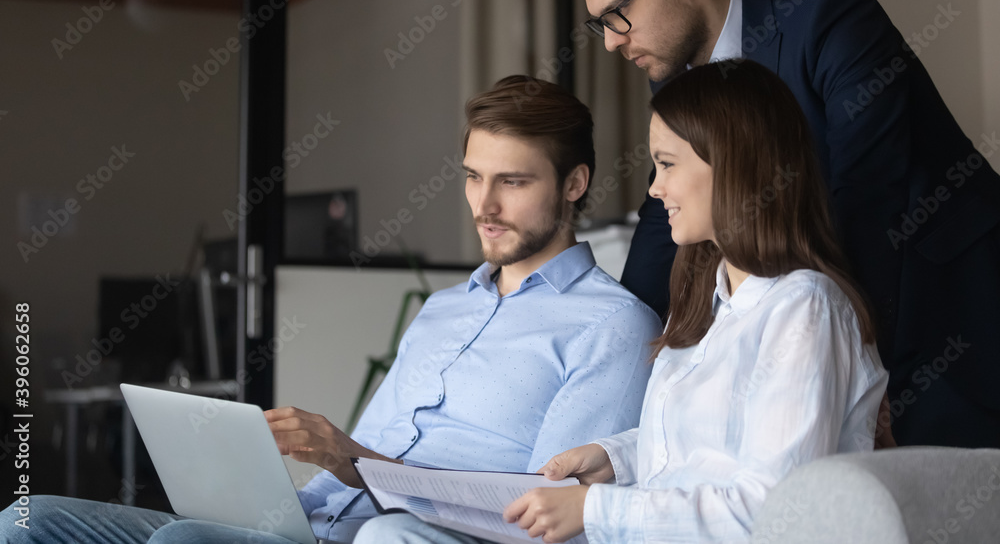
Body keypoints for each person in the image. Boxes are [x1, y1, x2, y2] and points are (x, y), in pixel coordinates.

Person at [0, 76, 661, 544]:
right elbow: (356, 467)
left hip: (400, 535)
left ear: (574, 183)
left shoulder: (612, 326)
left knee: (192, 540)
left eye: (512, 181)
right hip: (313, 524)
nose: (483, 204)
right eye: (471, 175)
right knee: (28, 520)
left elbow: (543, 519)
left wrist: (353, 460)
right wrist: (263, 496)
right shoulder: (440, 312)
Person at [357, 60, 887, 544]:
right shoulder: (707, 305)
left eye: (667, 164)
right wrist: (614, 456)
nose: (654, 189)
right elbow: (692, 453)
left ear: (733, 167)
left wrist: (595, 509)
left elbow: (774, 510)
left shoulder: (804, 308)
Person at [551, 0, 1000, 447]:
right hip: (829, 314)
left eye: (618, 14)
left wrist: (856, 357)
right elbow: (663, 223)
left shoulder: (834, 23)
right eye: (601, 24)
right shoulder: (680, 78)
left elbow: (866, 199)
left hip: (943, 300)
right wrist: (611, 340)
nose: (613, 43)